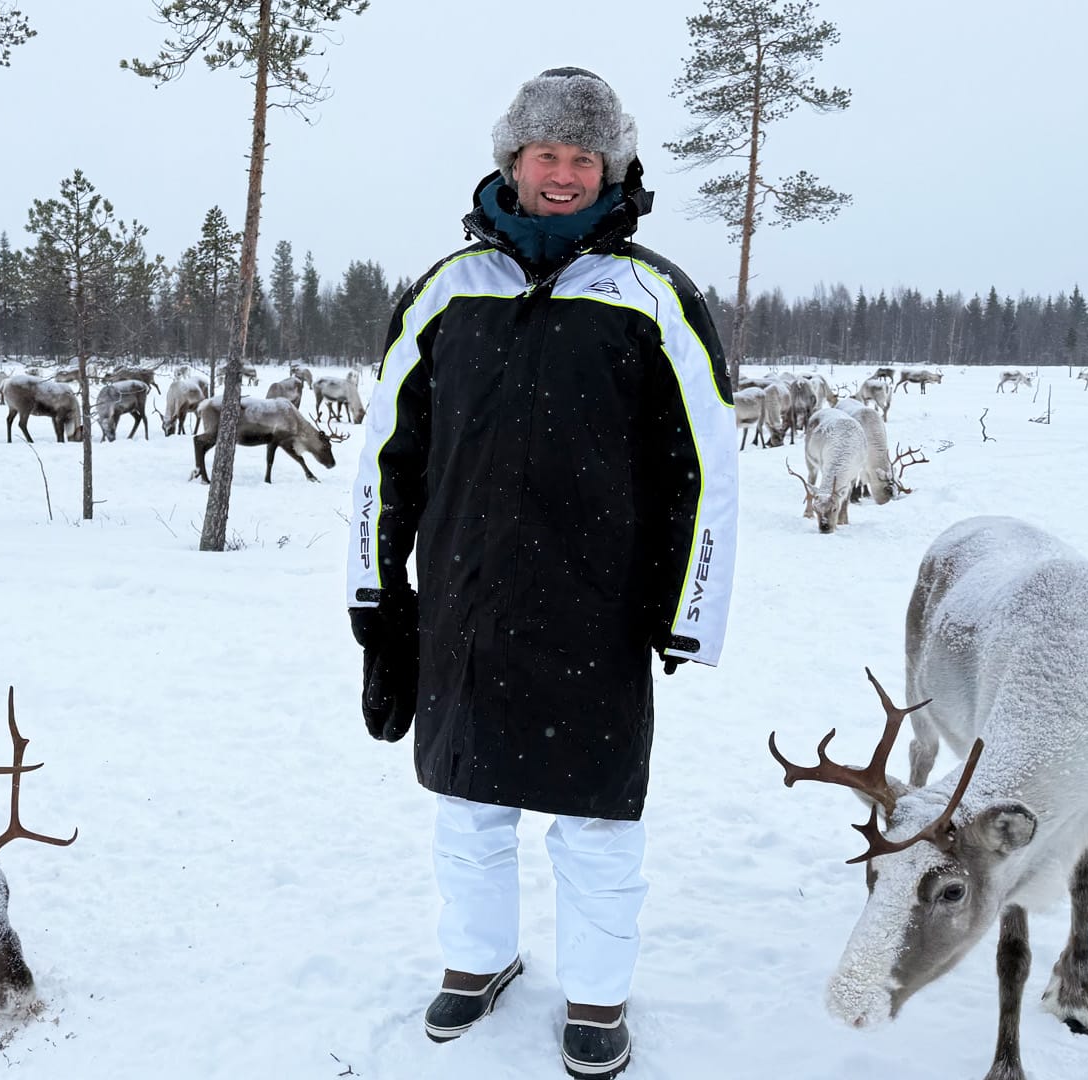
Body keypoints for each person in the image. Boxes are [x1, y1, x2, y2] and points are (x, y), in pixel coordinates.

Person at [345, 67, 738, 1079]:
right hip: (467, 610)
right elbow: (386, 454)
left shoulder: (653, 297)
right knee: (468, 809)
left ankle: (599, 996)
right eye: (544, 155)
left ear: (611, 169)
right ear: (511, 162)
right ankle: (479, 963)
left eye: (582, 158)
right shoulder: (446, 293)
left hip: (599, 612)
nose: (562, 175)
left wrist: (687, 610)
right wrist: (378, 601)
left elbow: (707, 467)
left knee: (597, 821)